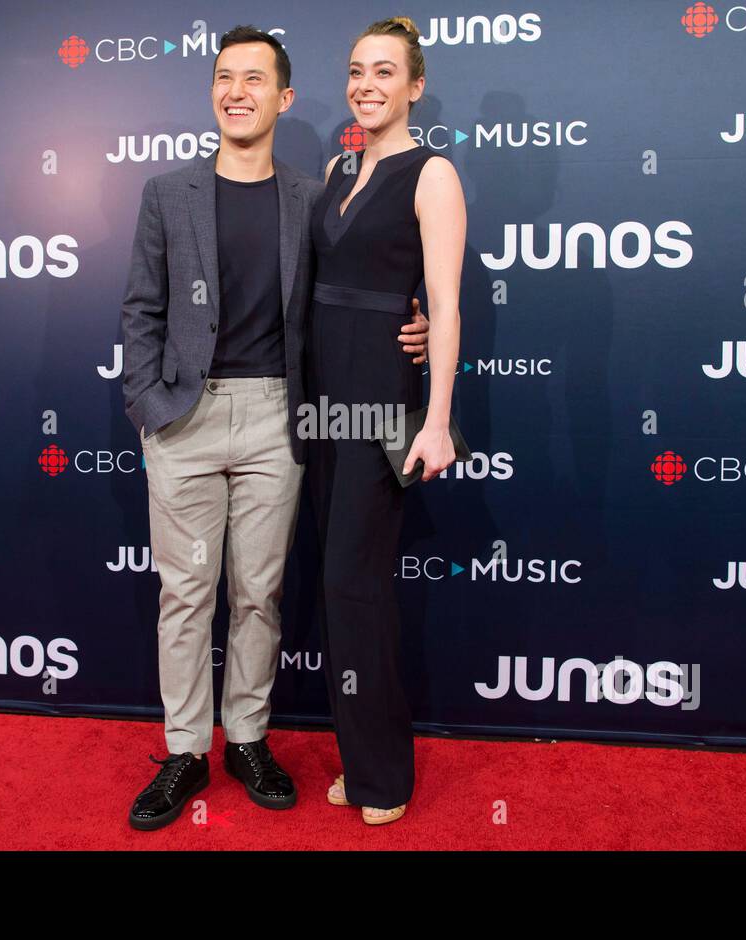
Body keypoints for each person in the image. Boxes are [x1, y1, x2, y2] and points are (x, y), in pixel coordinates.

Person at [119, 25, 430, 831]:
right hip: (184, 419)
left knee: (258, 595)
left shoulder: (313, 196)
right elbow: (141, 309)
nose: (237, 92)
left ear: (283, 97)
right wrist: (150, 409)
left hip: (277, 419)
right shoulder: (167, 193)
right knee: (186, 595)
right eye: (225, 77)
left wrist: (415, 324)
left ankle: (248, 739)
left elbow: (359, 282)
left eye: (255, 79)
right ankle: (186, 750)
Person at [308, 16, 464, 825]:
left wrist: (436, 422)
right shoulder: (338, 167)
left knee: (354, 583)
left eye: (384, 71)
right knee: (340, 588)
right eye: (356, 70)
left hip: (380, 405)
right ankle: (361, 758)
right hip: (318, 403)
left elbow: (445, 305)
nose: (365, 85)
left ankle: (384, 777)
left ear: (415, 86)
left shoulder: (432, 174)